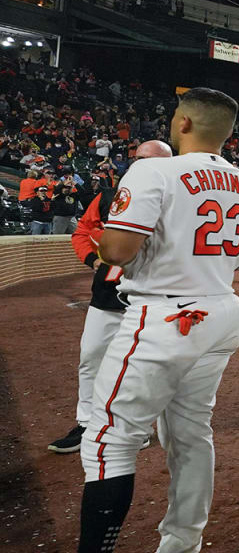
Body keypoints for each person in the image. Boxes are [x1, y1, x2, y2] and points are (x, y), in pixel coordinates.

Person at [76, 88, 239, 553]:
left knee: (109, 441)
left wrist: (104, 240)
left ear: (183, 123)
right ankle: (183, 544)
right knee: (190, 432)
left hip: (165, 313)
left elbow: (117, 252)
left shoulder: (153, 169)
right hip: (220, 309)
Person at [47, 140, 172, 456]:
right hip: (107, 296)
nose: (144, 166)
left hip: (153, 299)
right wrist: (93, 260)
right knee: (91, 358)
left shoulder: (177, 203)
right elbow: (81, 234)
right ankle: (87, 422)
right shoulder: (107, 198)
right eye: (139, 159)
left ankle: (137, 428)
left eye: (154, 162)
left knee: (142, 367)